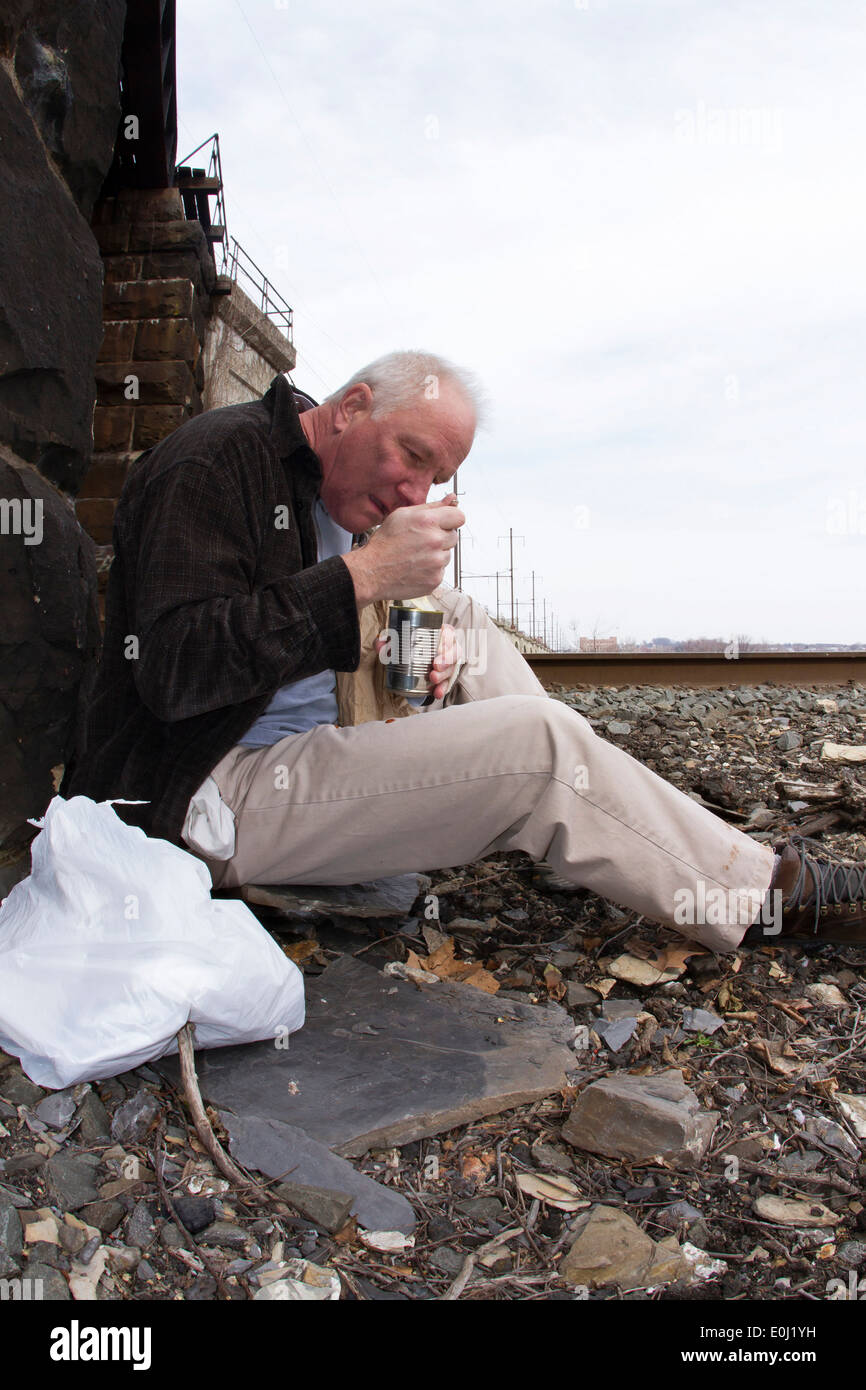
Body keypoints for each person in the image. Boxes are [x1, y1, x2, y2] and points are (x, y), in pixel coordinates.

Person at [62, 351, 866, 950]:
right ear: (350, 408)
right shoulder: (213, 463)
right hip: (197, 791)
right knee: (539, 747)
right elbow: (173, 672)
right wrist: (362, 576)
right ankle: (762, 896)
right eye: (412, 456)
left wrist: (414, 642)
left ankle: (594, 825)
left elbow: (338, 633)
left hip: (300, 750)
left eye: (437, 476)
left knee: (459, 613)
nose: (415, 493)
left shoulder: (329, 484)